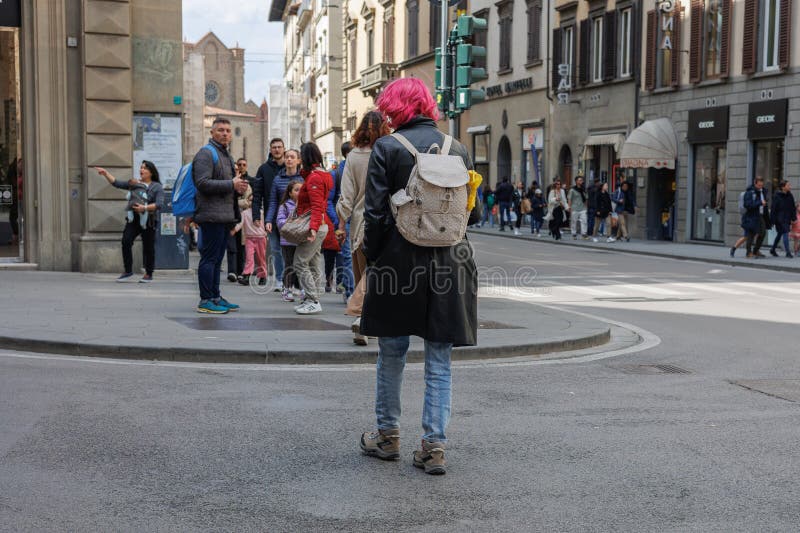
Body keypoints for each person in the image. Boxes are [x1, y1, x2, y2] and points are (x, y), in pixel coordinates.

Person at [358, 77, 481, 475]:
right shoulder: (457, 148)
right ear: (427, 105)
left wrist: (374, 259)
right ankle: (434, 446)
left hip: (398, 262)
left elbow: (375, 214)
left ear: (396, 107)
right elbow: (470, 214)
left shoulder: (387, 147)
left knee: (391, 353)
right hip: (448, 262)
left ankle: (387, 436)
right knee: (439, 359)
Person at [336, 110, 391, 346]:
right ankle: (361, 316)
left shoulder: (353, 157)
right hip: (386, 222)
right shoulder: (388, 152)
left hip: (359, 224)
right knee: (376, 276)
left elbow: (346, 197)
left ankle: (364, 324)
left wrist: (341, 224)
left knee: (363, 276)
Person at [192, 117, 249, 314]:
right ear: (212, 133)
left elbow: (227, 186)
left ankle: (215, 296)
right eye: (221, 130)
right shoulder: (206, 154)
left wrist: (238, 189)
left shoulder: (225, 155)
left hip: (224, 216)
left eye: (228, 130)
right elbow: (202, 183)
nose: (225, 133)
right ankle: (205, 300)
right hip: (210, 216)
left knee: (217, 260)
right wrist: (231, 185)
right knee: (209, 259)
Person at [96, 161, 164, 283]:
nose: (141, 170)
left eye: (144, 168)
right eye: (141, 168)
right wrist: (106, 173)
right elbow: (117, 183)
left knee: (148, 247)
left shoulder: (157, 186)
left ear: (151, 172)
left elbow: (159, 204)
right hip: (133, 219)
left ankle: (149, 273)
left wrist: (145, 208)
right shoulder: (135, 183)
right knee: (126, 240)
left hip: (149, 221)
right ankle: (128, 271)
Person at [292, 142, 332, 315]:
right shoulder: (318, 175)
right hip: (319, 224)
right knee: (314, 261)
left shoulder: (315, 178)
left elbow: (316, 206)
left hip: (314, 225)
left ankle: (313, 299)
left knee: (300, 262)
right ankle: (313, 297)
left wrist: (313, 229)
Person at [253, 138, 286, 289]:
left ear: (284, 149)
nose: (277, 150)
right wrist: (255, 215)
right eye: (274, 147)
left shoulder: (291, 167)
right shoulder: (263, 169)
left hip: (290, 217)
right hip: (271, 217)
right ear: (270, 149)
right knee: (276, 249)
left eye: (279, 147)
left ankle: (290, 280)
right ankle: (280, 279)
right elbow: (257, 194)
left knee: (290, 250)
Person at [275, 179, 304, 300]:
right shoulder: (285, 206)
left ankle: (300, 288)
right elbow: (280, 222)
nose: (299, 192)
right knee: (289, 266)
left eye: (301, 190)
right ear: (290, 193)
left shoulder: (304, 206)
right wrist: (291, 220)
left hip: (299, 240)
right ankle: (286, 289)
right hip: (287, 242)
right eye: (296, 190)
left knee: (300, 266)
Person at [236, 185, 268, 285]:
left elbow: (265, 225)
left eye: (254, 201)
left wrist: (266, 234)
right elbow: (240, 223)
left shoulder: (261, 213)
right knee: (249, 257)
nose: (252, 203)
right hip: (249, 238)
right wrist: (234, 229)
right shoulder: (245, 213)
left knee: (260, 258)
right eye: (250, 200)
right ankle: (246, 276)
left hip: (261, 238)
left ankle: (263, 276)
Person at [225, 157, 250, 282]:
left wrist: (234, 201)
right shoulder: (226, 183)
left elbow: (248, 201)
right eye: (234, 168)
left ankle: (241, 271)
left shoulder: (245, 183)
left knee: (242, 246)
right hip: (229, 218)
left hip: (243, 219)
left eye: (238, 168)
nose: (237, 169)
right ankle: (232, 271)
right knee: (231, 246)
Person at [742, 176, 770, 258]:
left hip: (761, 215)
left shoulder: (763, 191)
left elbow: (763, 202)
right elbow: (747, 205)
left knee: (763, 233)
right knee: (751, 233)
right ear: (755, 183)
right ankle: (748, 252)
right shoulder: (750, 192)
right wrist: (760, 203)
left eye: (761, 185)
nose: (760, 187)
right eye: (759, 185)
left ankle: (756, 250)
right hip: (752, 215)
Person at [770, 180, 796, 258]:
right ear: (783, 187)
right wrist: (772, 220)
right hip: (779, 219)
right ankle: (788, 252)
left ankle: (773, 249)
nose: (789, 186)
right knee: (785, 233)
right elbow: (773, 209)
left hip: (787, 218)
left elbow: (792, 207)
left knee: (780, 234)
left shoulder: (790, 195)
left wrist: (793, 218)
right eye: (788, 185)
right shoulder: (776, 196)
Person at [568, 175, 588, 240]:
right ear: (576, 181)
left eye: (582, 180)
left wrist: (586, 207)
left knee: (584, 221)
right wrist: (569, 207)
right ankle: (574, 233)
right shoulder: (572, 190)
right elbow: (569, 199)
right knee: (574, 222)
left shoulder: (584, 189)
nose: (581, 181)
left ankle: (583, 234)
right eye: (579, 180)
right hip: (575, 208)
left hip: (583, 208)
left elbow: (586, 198)